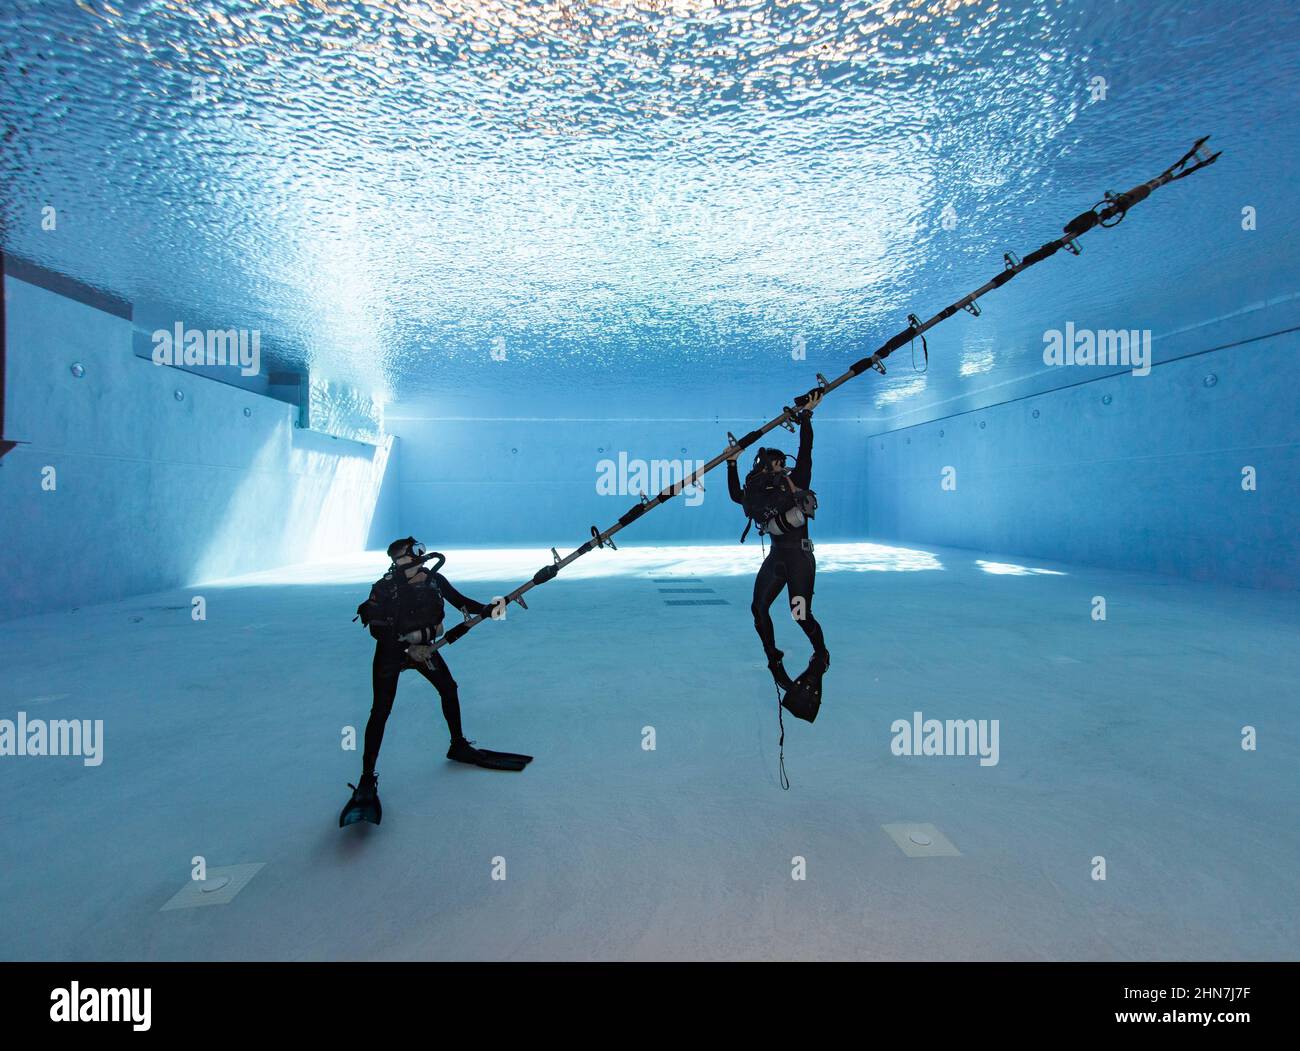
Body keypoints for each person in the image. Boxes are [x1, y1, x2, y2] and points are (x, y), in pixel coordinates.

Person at [340, 537, 530, 826]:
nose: (423, 555)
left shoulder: (434, 579)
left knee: (448, 689)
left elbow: (460, 602)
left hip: (426, 649)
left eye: (421, 549)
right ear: (402, 559)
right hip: (392, 653)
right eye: (417, 551)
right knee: (380, 710)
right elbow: (377, 630)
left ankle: (458, 745)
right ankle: (367, 779)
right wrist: (408, 648)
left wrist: (489, 609)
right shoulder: (384, 588)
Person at [726, 391, 829, 703]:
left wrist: (806, 418)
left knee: (800, 614)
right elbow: (737, 496)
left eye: (777, 463)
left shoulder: (794, 482)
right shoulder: (758, 491)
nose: (776, 467)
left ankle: (821, 655)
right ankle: (774, 657)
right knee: (758, 608)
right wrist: (731, 462)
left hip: (799, 558)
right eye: (773, 463)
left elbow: (806, 452)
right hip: (777, 558)